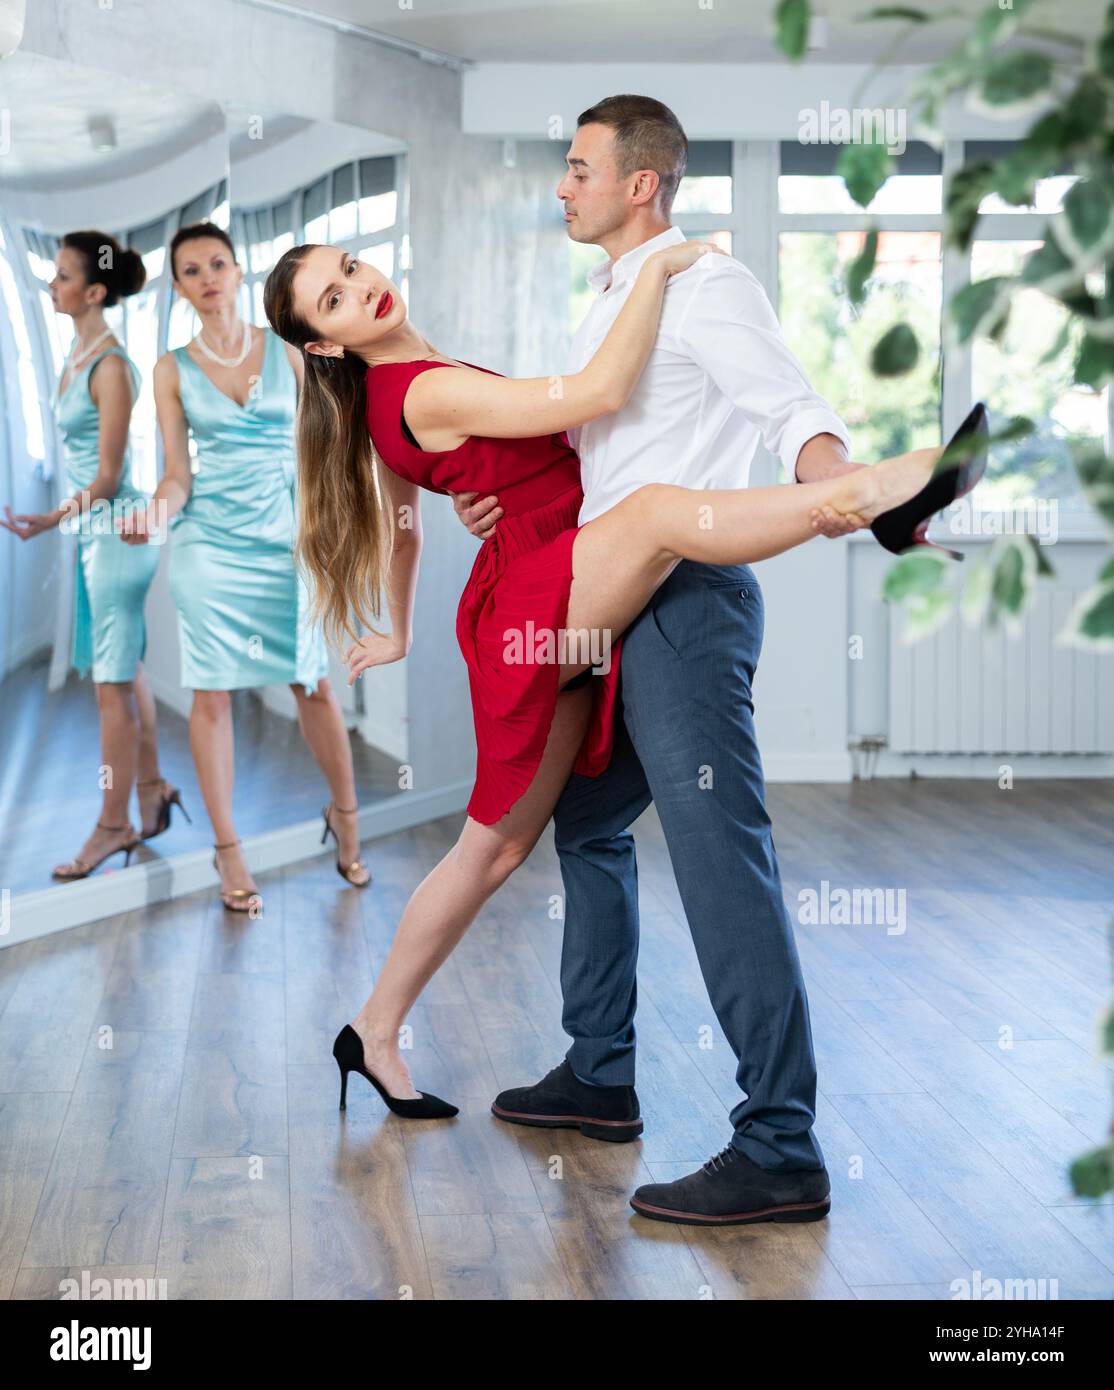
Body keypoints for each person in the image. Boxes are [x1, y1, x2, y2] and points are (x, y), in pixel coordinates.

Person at [261, 205, 964, 1181]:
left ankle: (376, 1031)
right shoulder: (417, 387)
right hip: (537, 598)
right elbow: (597, 391)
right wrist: (660, 268)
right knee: (659, 515)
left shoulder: (412, 379)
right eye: (334, 299)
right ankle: (861, 496)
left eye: (351, 265)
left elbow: (415, 518)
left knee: (500, 846)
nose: (362, 287)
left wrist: (409, 620)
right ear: (322, 343)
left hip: (551, 579)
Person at [119, 222, 370, 912]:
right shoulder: (171, 369)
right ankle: (228, 849)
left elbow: (326, 442)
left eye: (217, 264)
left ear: (237, 272)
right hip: (208, 549)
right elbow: (177, 475)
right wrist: (157, 515)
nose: (207, 278)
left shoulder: (285, 350)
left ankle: (347, 817)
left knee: (313, 682)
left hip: (286, 539)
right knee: (213, 696)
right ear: (179, 287)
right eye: (191, 270)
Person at [1, 229, 185, 879]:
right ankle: (153, 790)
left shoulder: (111, 367)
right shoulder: (77, 356)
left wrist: (50, 519)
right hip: (93, 535)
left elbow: (108, 476)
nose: (52, 285)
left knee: (111, 690)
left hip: (115, 537)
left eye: (63, 276)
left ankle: (113, 826)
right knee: (126, 673)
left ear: (95, 292)